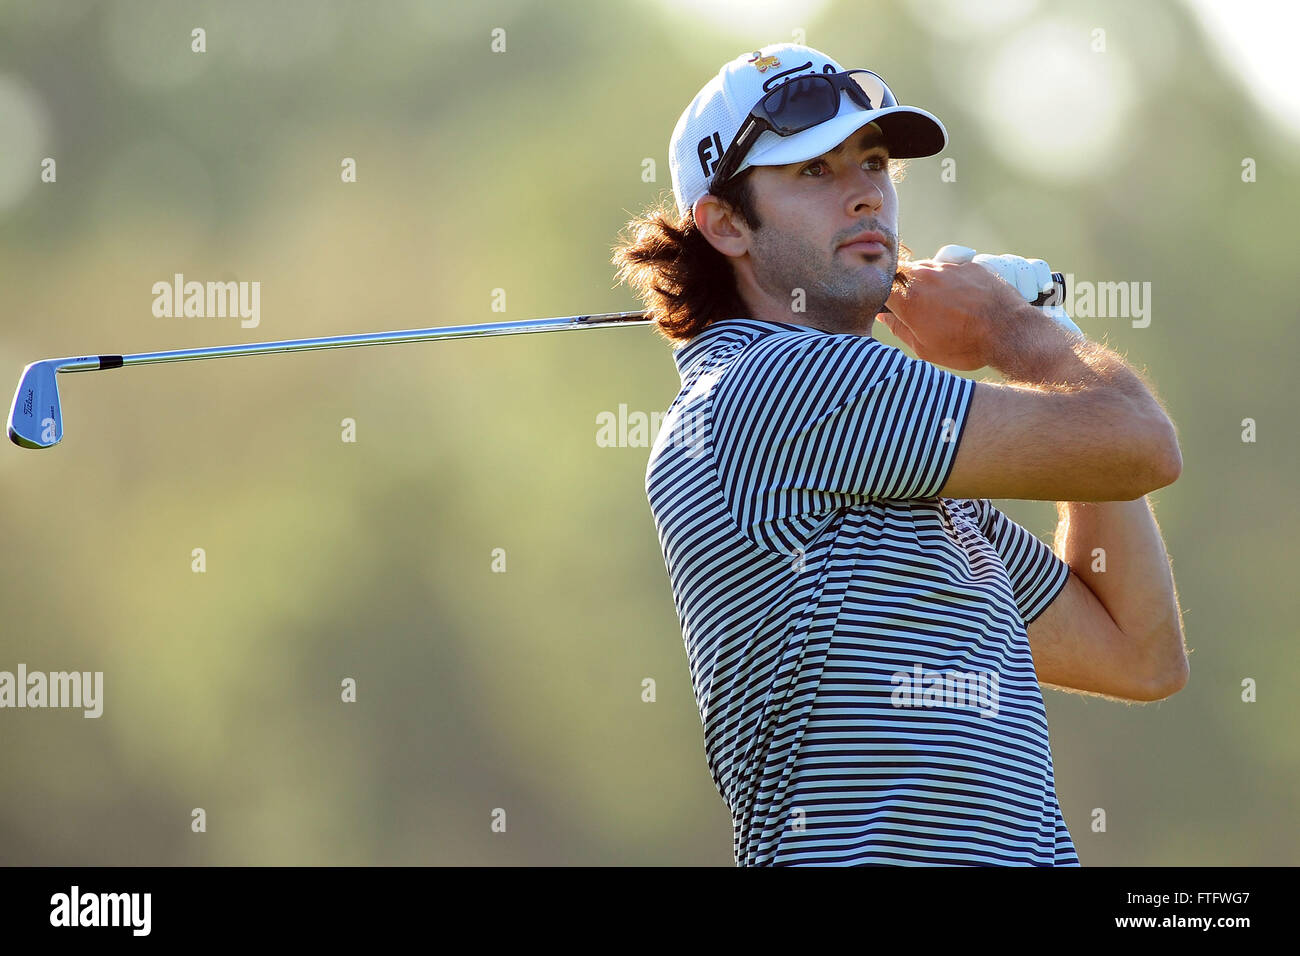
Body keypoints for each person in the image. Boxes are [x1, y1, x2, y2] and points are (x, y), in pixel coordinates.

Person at [612, 43, 1188, 866]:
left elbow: (1139, 652)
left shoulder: (895, 464)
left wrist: (1046, 336)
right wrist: (1014, 334)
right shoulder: (777, 386)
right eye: (814, 171)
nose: (864, 196)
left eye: (873, 163)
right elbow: (1142, 443)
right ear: (726, 223)